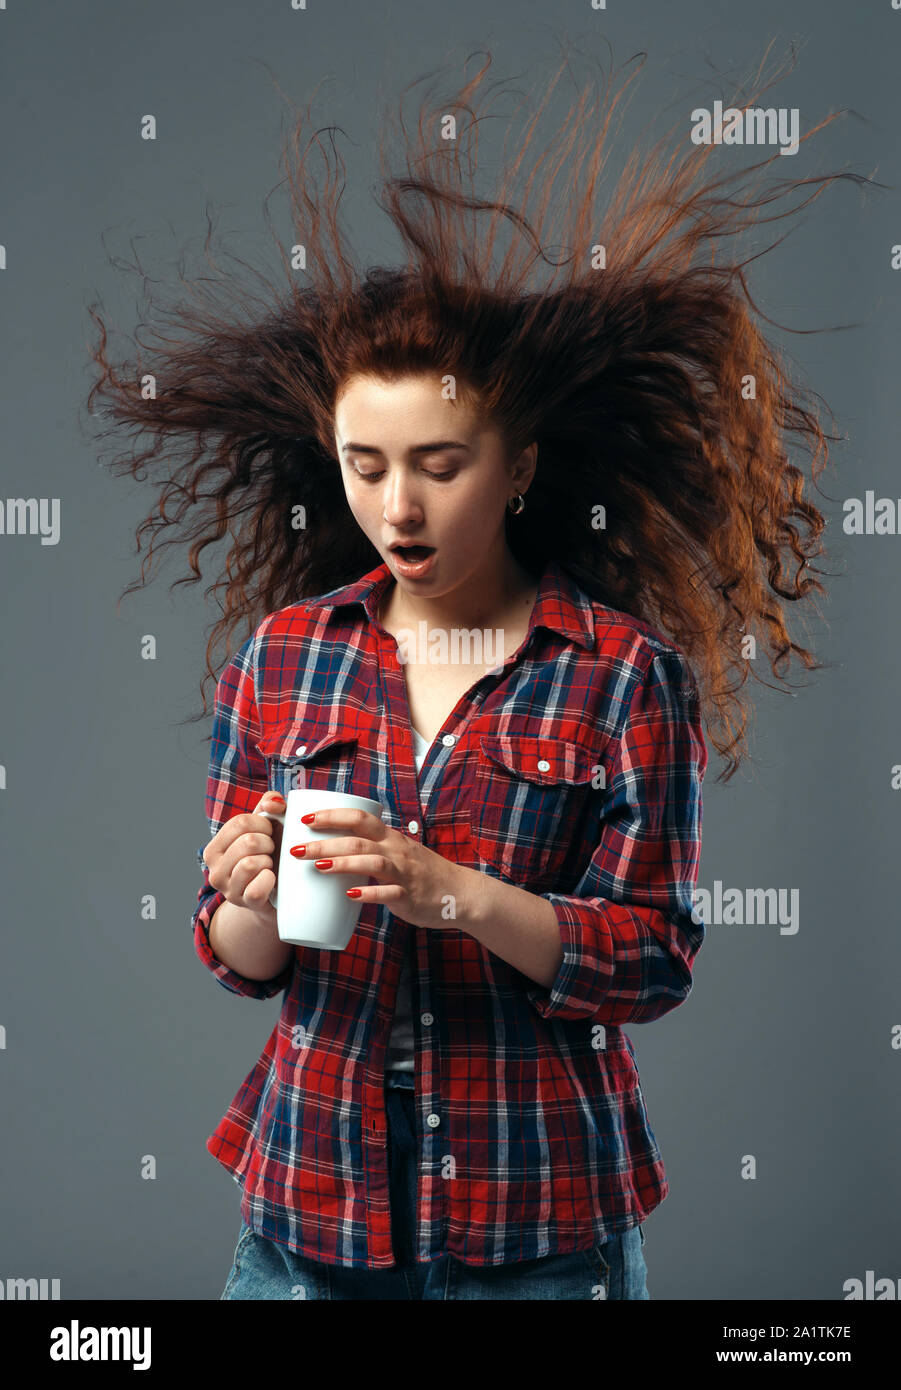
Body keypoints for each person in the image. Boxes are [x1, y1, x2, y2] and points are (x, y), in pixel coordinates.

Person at [87, 49, 859, 1298]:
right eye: (365, 463)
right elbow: (241, 957)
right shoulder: (286, 659)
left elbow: (651, 955)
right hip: (309, 1217)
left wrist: (451, 891)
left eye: (440, 464)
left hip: (538, 1222)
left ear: (518, 469)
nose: (397, 504)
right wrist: (238, 886)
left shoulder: (620, 677)